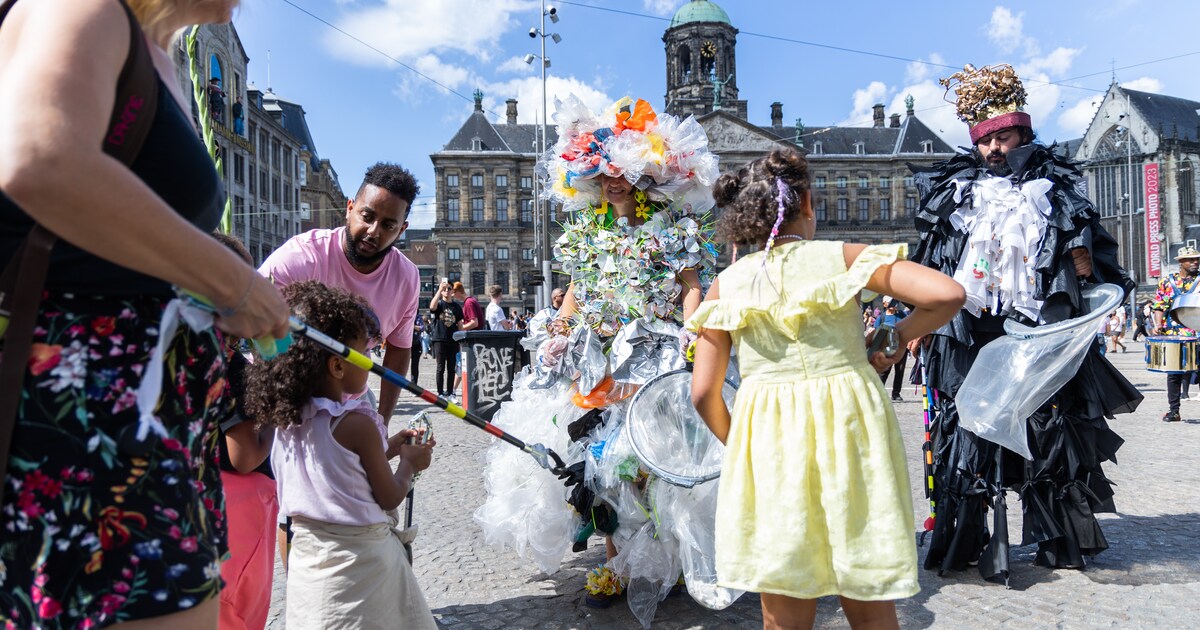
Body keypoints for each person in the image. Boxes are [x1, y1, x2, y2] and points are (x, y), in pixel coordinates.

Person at [0, 0, 290, 627]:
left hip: (153, 420)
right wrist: (232, 282)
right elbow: (40, 158)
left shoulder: (160, 57)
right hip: (83, 421)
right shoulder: (86, 7)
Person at [688, 147, 964, 630]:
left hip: (769, 438)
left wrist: (742, 444)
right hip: (850, 429)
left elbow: (703, 393)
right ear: (808, 202)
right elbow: (947, 294)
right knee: (866, 585)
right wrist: (895, 336)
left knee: (784, 599)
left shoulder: (727, 284)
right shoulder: (841, 258)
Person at [473, 95, 720, 625]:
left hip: (656, 357)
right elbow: (577, 292)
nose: (614, 181)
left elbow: (691, 286)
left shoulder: (673, 226)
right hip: (599, 361)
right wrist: (559, 330)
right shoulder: (587, 229)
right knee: (602, 465)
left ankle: (669, 558)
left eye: (623, 172)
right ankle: (614, 563)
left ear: (644, 173)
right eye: (605, 172)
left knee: (657, 464)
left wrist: (693, 329)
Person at [910, 64, 1139, 581]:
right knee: (966, 431)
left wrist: (1084, 264)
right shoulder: (955, 194)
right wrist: (920, 320)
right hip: (969, 332)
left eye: (1004, 137)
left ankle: (1059, 540)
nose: (995, 148)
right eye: (985, 139)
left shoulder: (1054, 191)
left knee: (1048, 429)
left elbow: (1091, 258)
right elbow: (930, 264)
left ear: (1023, 134)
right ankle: (966, 540)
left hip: (1037, 331)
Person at [244, 281, 436, 630]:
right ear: (337, 366)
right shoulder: (357, 424)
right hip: (360, 569)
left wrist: (391, 447)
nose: (370, 362)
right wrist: (410, 464)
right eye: (365, 352)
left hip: (308, 564)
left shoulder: (286, 422)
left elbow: (339, 469)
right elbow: (388, 495)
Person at [260, 162, 421, 422]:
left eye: (388, 225)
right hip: (284, 389)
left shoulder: (406, 278)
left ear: (402, 229)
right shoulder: (301, 256)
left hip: (350, 396)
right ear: (349, 209)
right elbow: (254, 314)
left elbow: (399, 350)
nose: (373, 231)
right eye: (367, 216)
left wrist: (382, 422)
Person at [212, 232, 279, 630]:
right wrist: (271, 416)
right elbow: (244, 457)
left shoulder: (180, 354)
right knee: (238, 611)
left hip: (201, 502)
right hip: (239, 507)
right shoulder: (230, 367)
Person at [1150, 247, 1200, 422]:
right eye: (1191, 259)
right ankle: (1174, 411)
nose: (1195, 262)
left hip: (1198, 332)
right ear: (1181, 262)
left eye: (1197, 259)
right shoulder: (1166, 282)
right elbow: (1159, 306)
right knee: (1174, 374)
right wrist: (1158, 324)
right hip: (1174, 334)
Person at [429, 280, 463, 400]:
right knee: (440, 367)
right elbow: (432, 307)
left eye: (449, 288)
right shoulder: (439, 304)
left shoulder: (457, 307)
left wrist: (461, 340)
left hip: (453, 340)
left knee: (451, 368)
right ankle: (440, 393)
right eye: (444, 289)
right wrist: (439, 290)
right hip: (439, 339)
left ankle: (450, 393)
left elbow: (460, 324)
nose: (446, 291)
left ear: (452, 291)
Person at [876, 300, 910, 401]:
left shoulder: (902, 315)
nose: (893, 305)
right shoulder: (881, 317)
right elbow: (876, 332)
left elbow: (909, 327)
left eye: (894, 303)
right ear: (884, 304)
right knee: (884, 371)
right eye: (890, 303)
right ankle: (879, 392)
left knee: (899, 371)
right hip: (887, 348)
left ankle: (896, 393)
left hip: (901, 346)